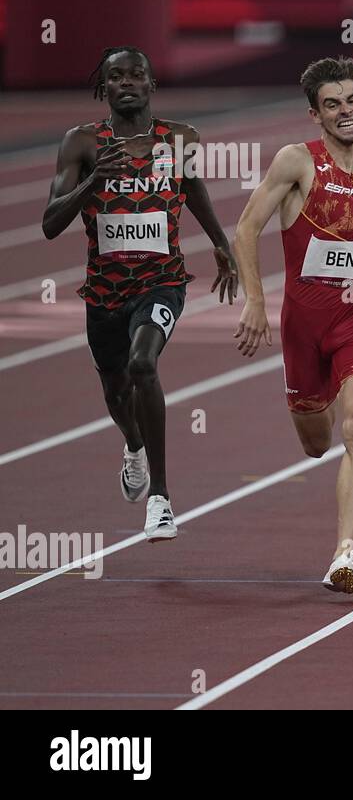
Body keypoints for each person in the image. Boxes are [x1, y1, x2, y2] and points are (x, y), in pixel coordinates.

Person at [42, 46, 238, 540]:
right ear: (103, 88)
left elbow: (193, 190)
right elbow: (49, 223)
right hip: (104, 292)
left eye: (136, 75)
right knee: (114, 387)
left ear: (152, 85)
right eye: (116, 77)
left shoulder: (181, 139)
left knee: (143, 363)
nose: (126, 83)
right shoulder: (81, 143)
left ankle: (161, 499)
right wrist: (92, 183)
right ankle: (133, 445)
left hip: (162, 282)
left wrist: (220, 243)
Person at [234, 57, 353, 593]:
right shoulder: (296, 162)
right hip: (301, 328)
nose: (346, 111)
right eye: (332, 104)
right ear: (316, 114)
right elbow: (246, 229)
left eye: (352, 100)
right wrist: (255, 303)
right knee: (316, 443)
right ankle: (320, 396)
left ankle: (344, 553)